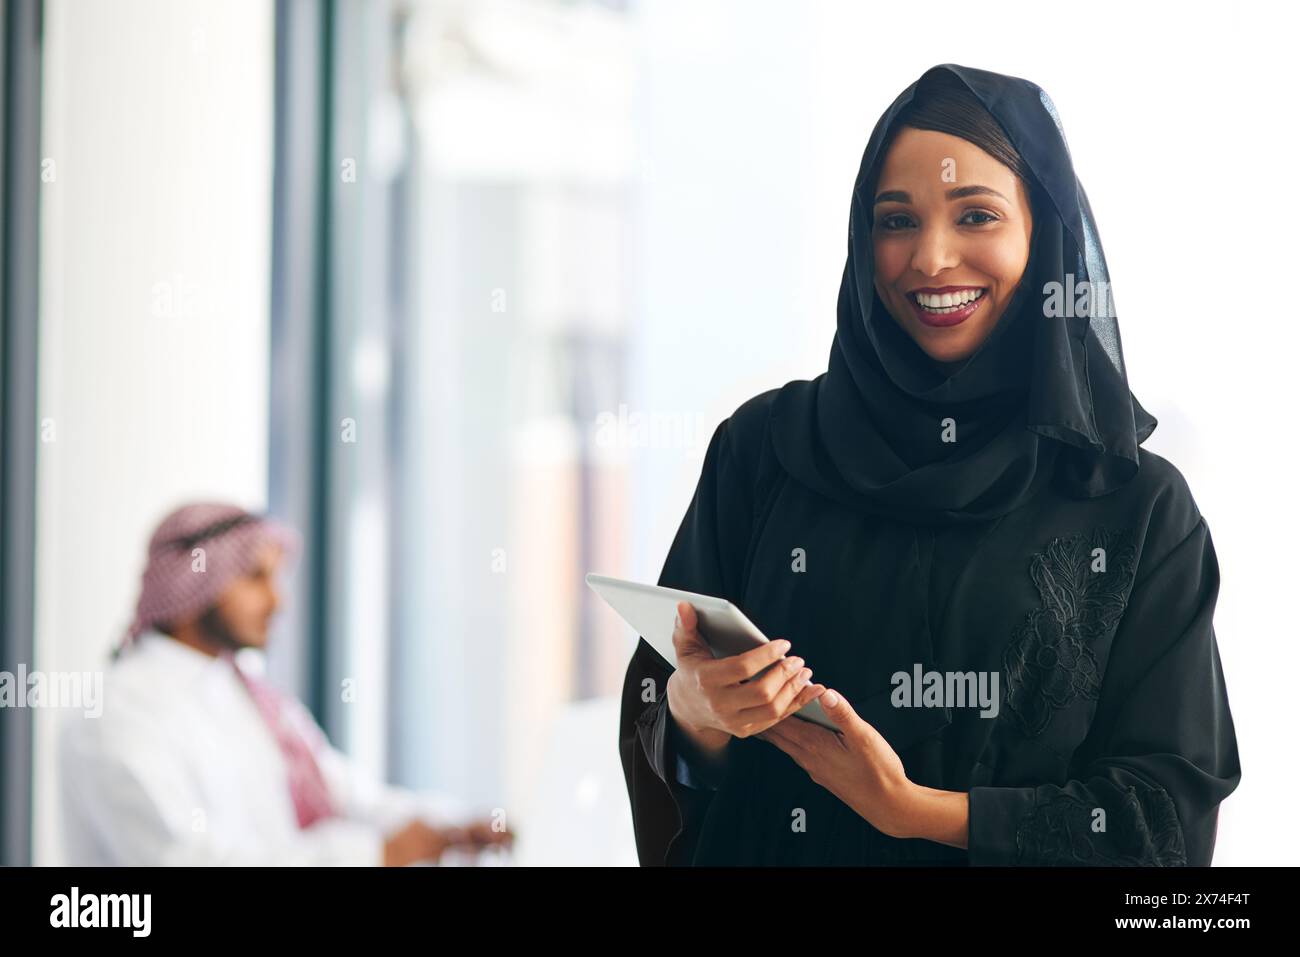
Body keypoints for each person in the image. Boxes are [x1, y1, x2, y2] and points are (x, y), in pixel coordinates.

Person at [618, 64, 1241, 866]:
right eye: (895, 220)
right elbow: (659, 703)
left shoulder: (1133, 503)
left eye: (975, 215)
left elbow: (1166, 818)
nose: (931, 258)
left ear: (1043, 235)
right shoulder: (765, 448)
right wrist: (697, 711)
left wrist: (917, 811)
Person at [61, 502, 514, 866]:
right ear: (190, 585)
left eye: (276, 577)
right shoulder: (117, 713)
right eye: (254, 578)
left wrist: (447, 827)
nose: (278, 600)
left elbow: (347, 794)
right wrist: (372, 856)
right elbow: (182, 859)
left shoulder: (251, 697)